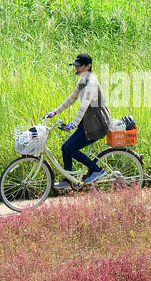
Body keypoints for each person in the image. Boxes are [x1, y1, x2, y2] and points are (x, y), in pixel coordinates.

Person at [44, 53, 108, 189]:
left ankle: (98, 171)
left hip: (97, 124)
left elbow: (84, 106)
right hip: (88, 123)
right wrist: (55, 112)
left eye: (79, 66)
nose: (76, 69)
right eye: (76, 66)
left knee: (70, 148)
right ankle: (69, 180)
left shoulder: (91, 82)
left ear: (88, 66)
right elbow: (71, 98)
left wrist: (73, 123)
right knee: (65, 147)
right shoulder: (83, 80)